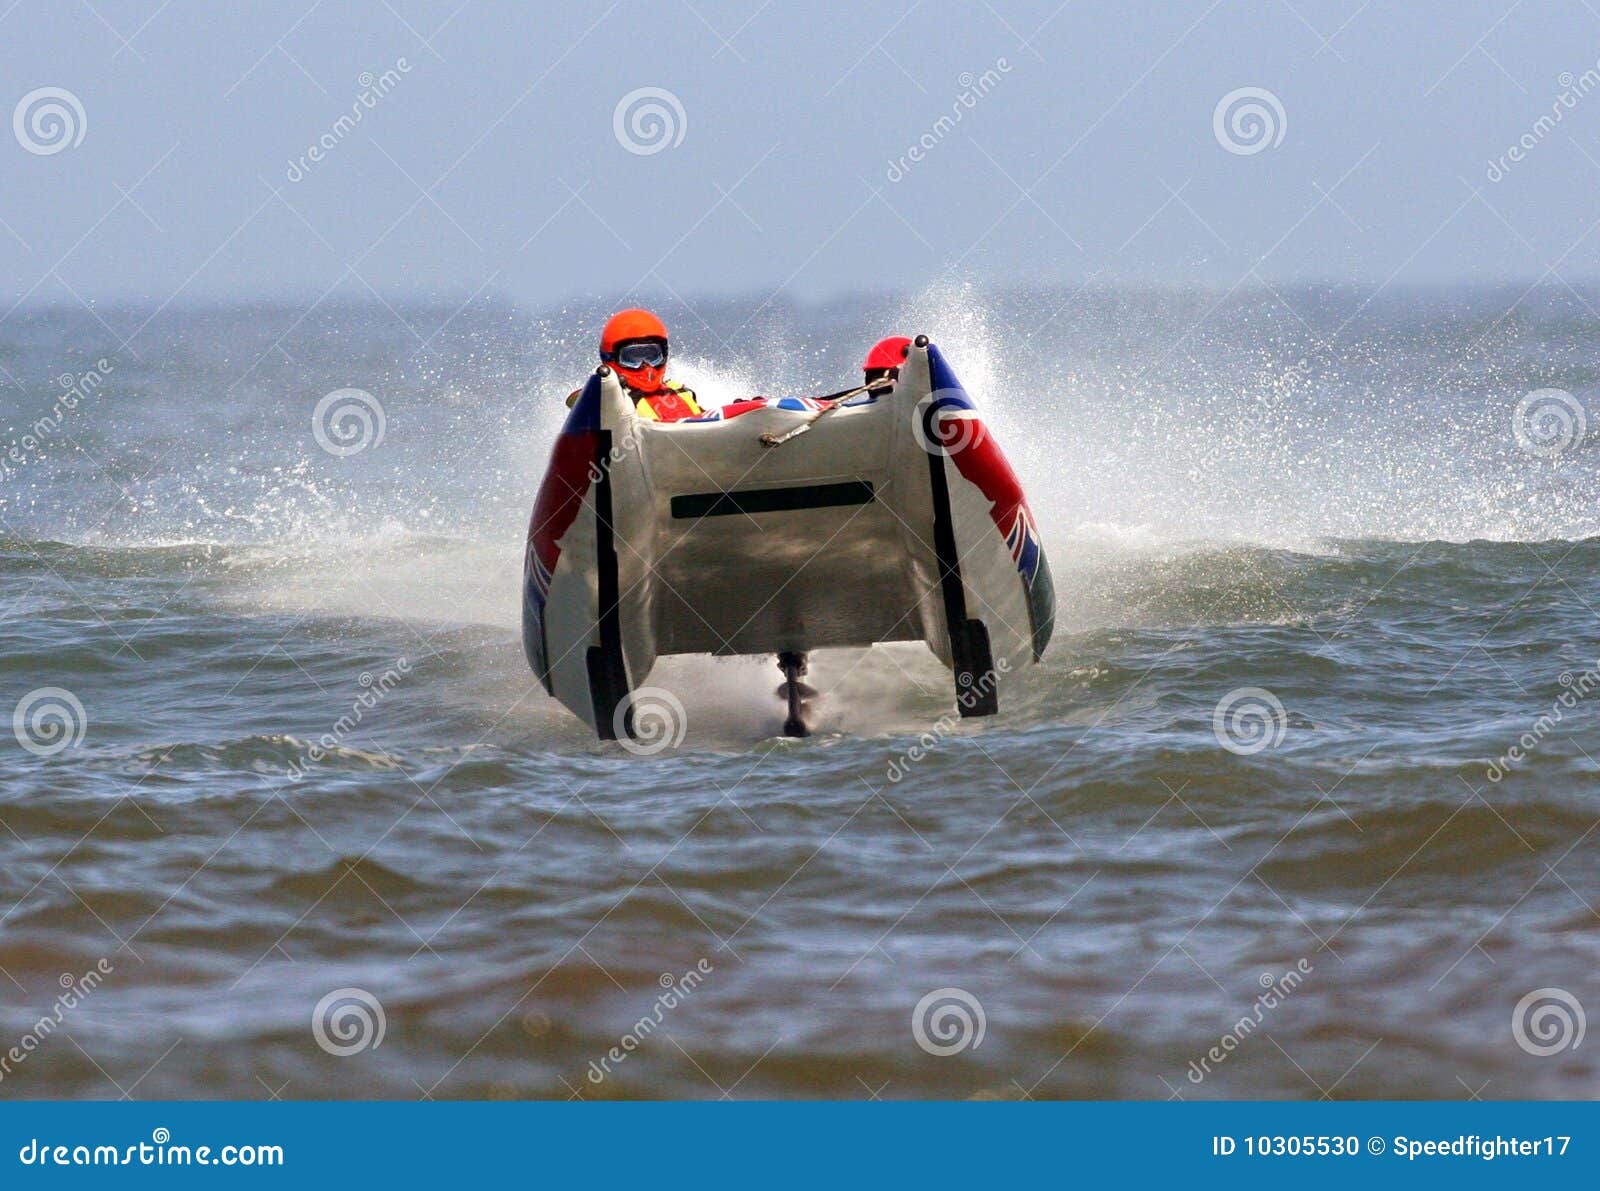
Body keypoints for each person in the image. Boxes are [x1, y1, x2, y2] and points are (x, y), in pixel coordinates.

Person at [569, 308, 704, 422]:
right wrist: (604, 389)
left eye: (652, 356)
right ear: (610, 359)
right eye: (633, 358)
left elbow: (709, 422)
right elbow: (580, 404)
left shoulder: (678, 391)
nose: (646, 366)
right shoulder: (611, 399)